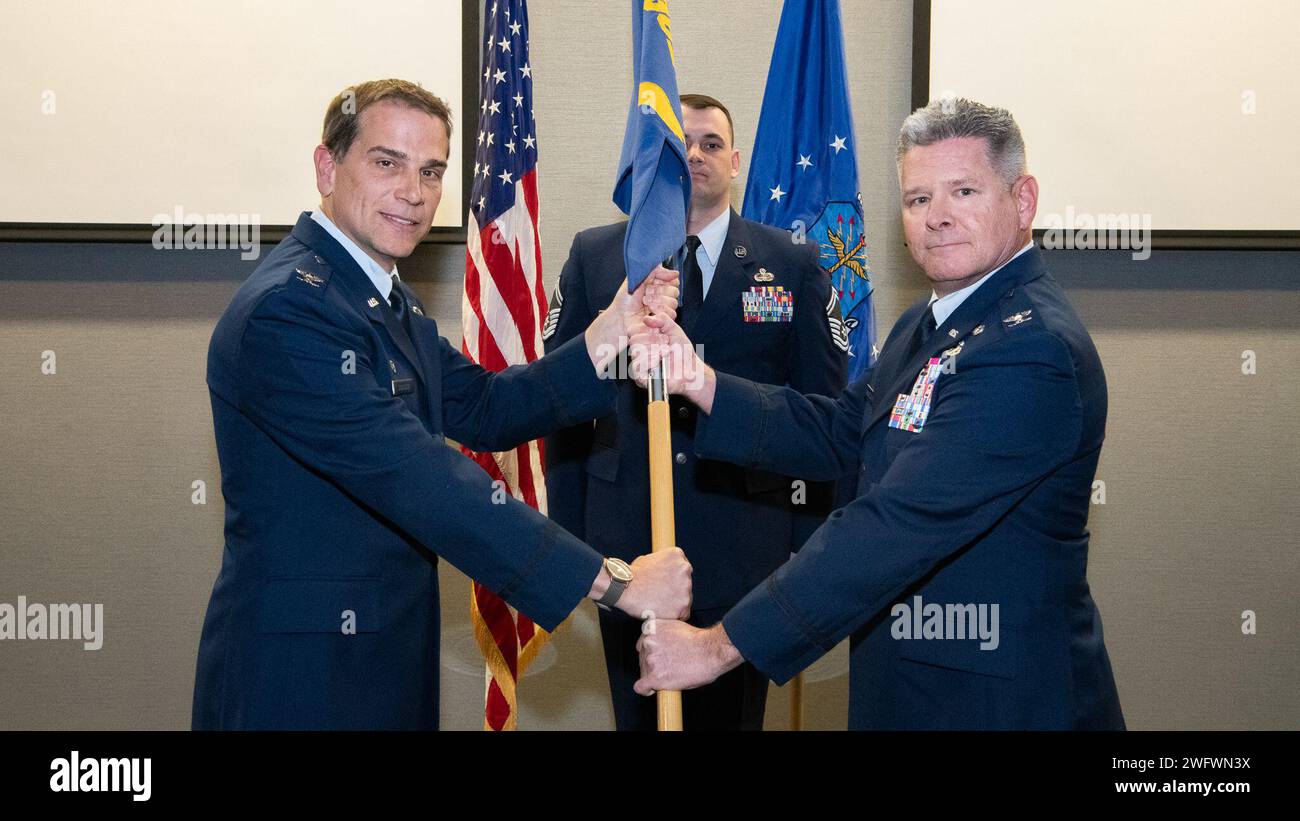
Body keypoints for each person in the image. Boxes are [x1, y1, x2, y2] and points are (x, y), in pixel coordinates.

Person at [192, 79, 690, 730]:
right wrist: (612, 581)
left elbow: (485, 405)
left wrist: (608, 334)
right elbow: (421, 477)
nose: (412, 191)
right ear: (326, 167)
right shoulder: (288, 310)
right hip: (302, 681)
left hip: (383, 663)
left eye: (431, 170)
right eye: (385, 163)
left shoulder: (379, 298)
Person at [631, 98, 1126, 730]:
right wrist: (697, 380)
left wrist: (718, 645)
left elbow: (893, 524)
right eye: (919, 200)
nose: (938, 218)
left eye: (964, 192)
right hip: (909, 689)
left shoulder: (1031, 350)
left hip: (997, 704)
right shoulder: (929, 321)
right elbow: (841, 432)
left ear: (1022, 202)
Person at [543, 94, 847, 730]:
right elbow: (559, 407)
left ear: (735, 161)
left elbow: (823, 420)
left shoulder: (792, 264)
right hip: (624, 547)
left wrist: (808, 549)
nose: (695, 154)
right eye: (680, 142)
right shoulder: (597, 256)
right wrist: (572, 541)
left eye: (711, 143)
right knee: (638, 713)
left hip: (747, 545)